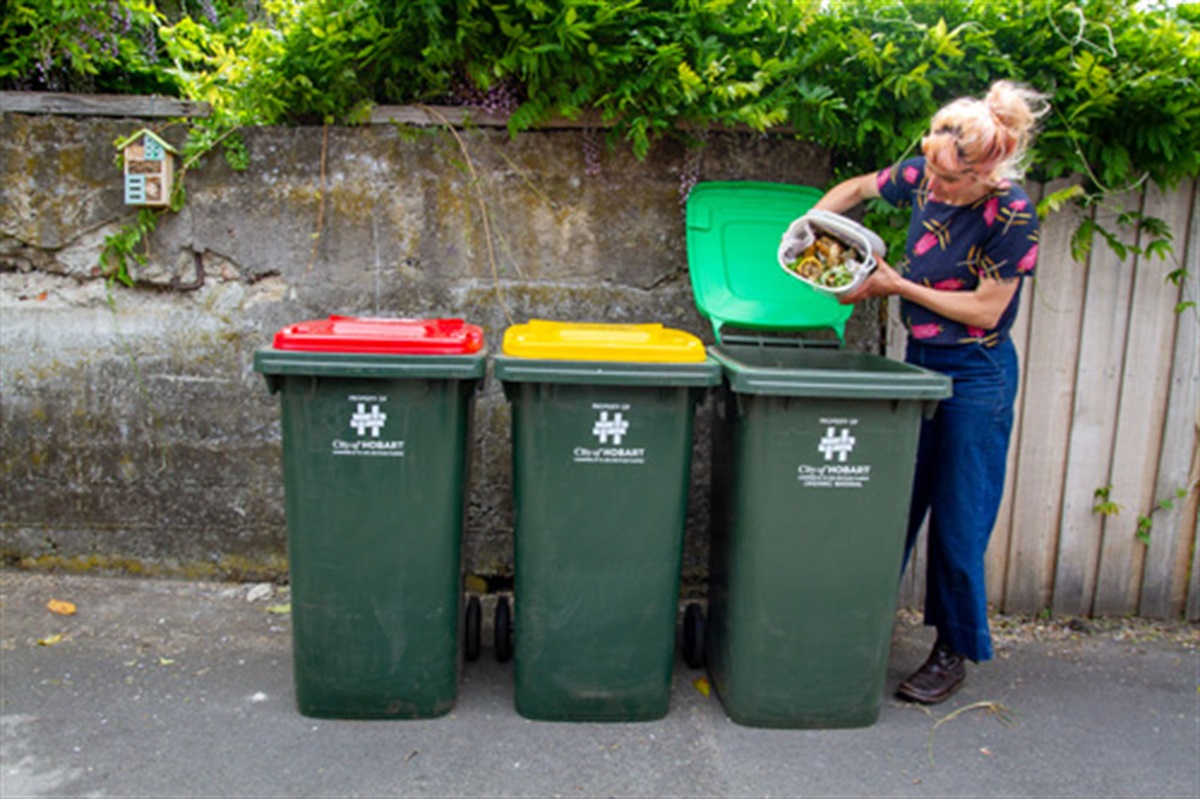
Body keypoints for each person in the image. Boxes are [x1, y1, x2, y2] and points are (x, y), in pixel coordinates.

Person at [812, 80, 1050, 704]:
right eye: (933, 176)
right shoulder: (923, 172)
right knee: (891, 506)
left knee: (959, 517)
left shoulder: (1014, 213)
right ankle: (859, 628)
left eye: (950, 184)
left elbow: (986, 310)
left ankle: (953, 649)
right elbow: (859, 190)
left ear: (988, 172)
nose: (934, 190)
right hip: (918, 367)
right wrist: (815, 229)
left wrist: (894, 286)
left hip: (976, 374)